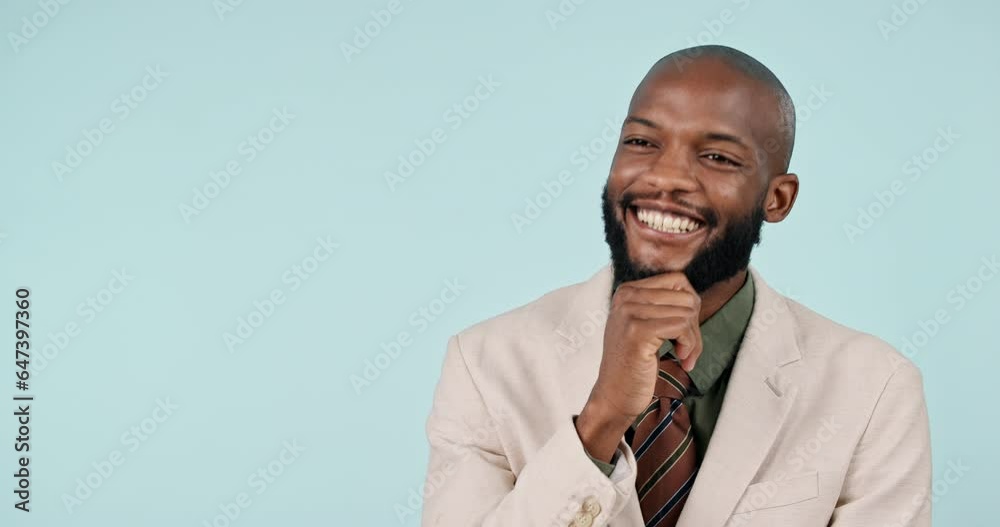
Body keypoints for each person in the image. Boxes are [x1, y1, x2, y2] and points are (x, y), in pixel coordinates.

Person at [421, 45, 931, 527]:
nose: (667, 178)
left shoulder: (874, 388)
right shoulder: (485, 362)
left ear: (776, 199)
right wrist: (600, 422)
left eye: (718, 158)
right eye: (642, 142)